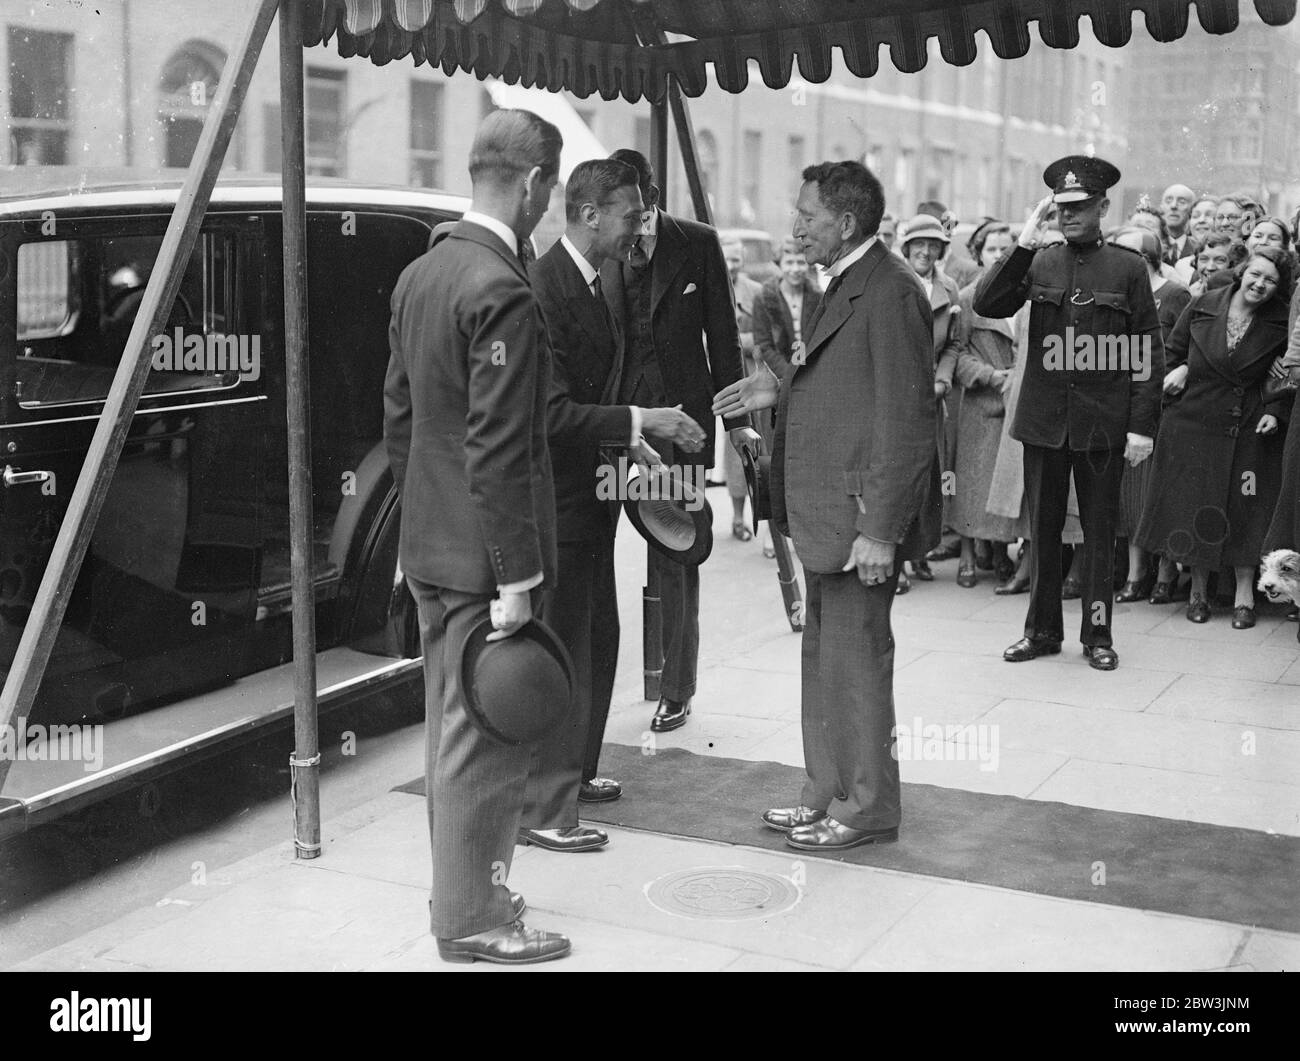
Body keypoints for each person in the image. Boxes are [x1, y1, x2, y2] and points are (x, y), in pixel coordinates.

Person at [383, 108, 570, 964]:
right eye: (552, 190)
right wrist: (516, 573)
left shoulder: (423, 275)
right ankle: (473, 919)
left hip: (431, 546)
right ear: (532, 185)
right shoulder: (501, 288)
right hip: (483, 560)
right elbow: (498, 448)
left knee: (446, 731)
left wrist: (424, 526)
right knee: (485, 743)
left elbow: (401, 422)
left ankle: (458, 898)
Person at [713, 160, 937, 850]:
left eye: (805, 215)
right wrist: (780, 388)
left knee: (860, 661)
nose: (795, 226)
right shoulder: (841, 282)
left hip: (858, 517)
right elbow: (847, 384)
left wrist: (880, 530)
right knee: (825, 657)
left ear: (845, 222)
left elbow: (907, 418)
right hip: (825, 515)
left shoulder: (893, 290)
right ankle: (826, 788)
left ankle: (869, 806)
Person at [520, 158, 705, 852]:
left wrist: (633, 451)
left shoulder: (597, 281)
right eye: (630, 213)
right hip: (559, 505)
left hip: (588, 499)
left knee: (599, 639)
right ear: (591, 214)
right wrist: (642, 424)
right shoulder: (545, 289)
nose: (640, 225)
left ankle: (575, 772)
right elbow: (555, 412)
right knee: (569, 646)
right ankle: (545, 803)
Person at [974, 154, 1164, 671]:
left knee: (1101, 534)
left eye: (1080, 206)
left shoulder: (1126, 269)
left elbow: (1146, 347)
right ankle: (1041, 632)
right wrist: (1023, 242)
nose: (1069, 215)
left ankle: (1098, 634)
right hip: (1044, 420)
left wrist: (1141, 426)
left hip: (1102, 423)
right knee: (1044, 529)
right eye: (1061, 207)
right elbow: (989, 304)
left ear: (1103, 206)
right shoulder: (1040, 259)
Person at [600, 148, 755, 734]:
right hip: (618, 428)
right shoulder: (603, 246)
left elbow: (724, 335)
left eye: (638, 214)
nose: (631, 228)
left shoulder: (698, 242)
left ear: (654, 201)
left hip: (685, 428)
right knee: (599, 539)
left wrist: (737, 420)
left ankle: (675, 688)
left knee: (676, 549)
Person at [1136, 247, 1293, 628]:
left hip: (1247, 426)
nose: (1260, 284)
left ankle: (1243, 594)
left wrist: (1274, 410)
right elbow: (1169, 352)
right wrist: (1181, 370)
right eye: (1256, 274)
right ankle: (1198, 593)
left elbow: (1284, 376)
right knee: (1194, 507)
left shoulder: (1280, 319)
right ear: (1242, 272)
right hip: (1192, 421)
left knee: (1245, 509)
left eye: (1270, 280)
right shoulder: (1204, 303)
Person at [1107, 226, 1191, 602]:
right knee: (1128, 492)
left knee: (1154, 492)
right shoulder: (1113, 292)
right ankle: (1136, 572)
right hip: (1118, 400)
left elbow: (1187, 347)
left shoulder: (1174, 294)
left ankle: (1165, 571)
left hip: (1161, 405)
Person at [952, 221, 1022, 584]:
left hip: (1018, 403)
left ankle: (997, 552)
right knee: (972, 484)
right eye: (992, 249)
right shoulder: (967, 298)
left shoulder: (1023, 296)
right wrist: (992, 376)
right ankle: (966, 554)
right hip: (983, 404)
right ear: (978, 254)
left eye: (1005, 249)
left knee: (1006, 483)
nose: (999, 256)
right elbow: (957, 353)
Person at [898, 213, 961, 592]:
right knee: (899, 475)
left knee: (929, 476)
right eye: (918, 244)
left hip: (931, 397)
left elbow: (954, 343)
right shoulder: (891, 282)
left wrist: (942, 379)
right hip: (897, 395)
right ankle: (898, 561)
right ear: (906, 248)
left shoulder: (948, 287)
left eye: (932, 245)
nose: (925, 251)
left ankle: (919, 552)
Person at [751, 236, 823, 559]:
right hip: (777, 389)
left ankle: (802, 528)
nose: (795, 269)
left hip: (808, 388)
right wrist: (788, 377)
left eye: (800, 262)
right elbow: (764, 345)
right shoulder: (765, 298)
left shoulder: (817, 296)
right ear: (779, 265)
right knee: (773, 458)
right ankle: (772, 532)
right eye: (789, 262)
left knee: (805, 460)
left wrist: (803, 378)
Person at [721, 236, 766, 541]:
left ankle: (750, 517)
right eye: (728, 258)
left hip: (746, 376)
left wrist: (737, 342)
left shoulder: (756, 292)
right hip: (715, 377)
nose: (732, 265)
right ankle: (734, 516)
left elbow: (764, 337)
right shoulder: (706, 285)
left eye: (737, 259)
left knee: (746, 447)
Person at [1160, 183, 1196, 264]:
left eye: (1182, 202)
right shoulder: (1153, 246)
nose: (1173, 206)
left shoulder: (1198, 248)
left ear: (1192, 209)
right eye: (1168, 201)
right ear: (1161, 207)